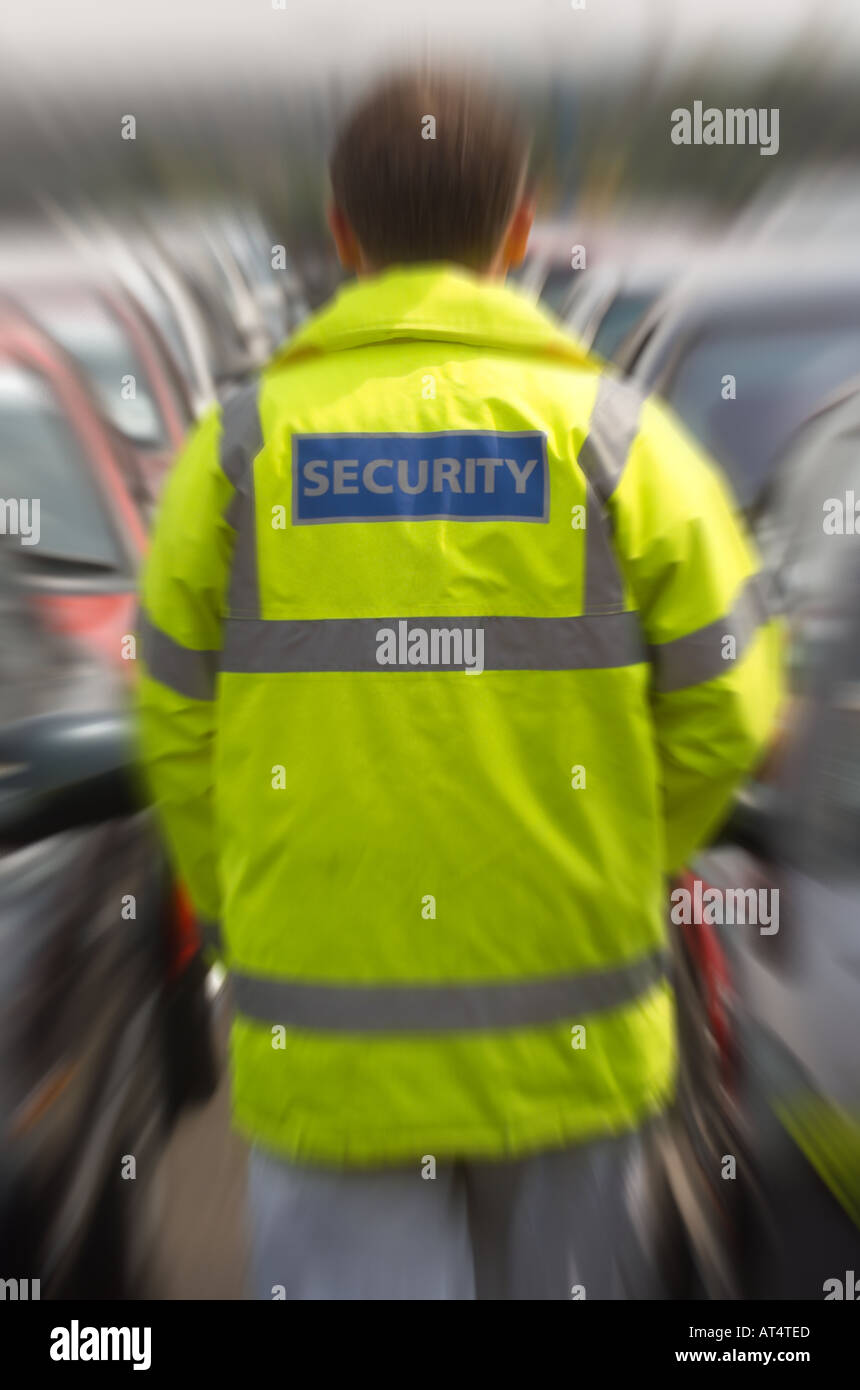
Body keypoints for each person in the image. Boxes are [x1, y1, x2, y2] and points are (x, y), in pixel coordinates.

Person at [138, 71, 783, 1299]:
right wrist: (622, 857)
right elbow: (733, 706)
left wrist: (249, 911)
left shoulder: (230, 461)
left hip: (330, 1067)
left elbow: (177, 737)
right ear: (520, 229)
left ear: (340, 232)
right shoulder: (622, 445)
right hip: (573, 1052)